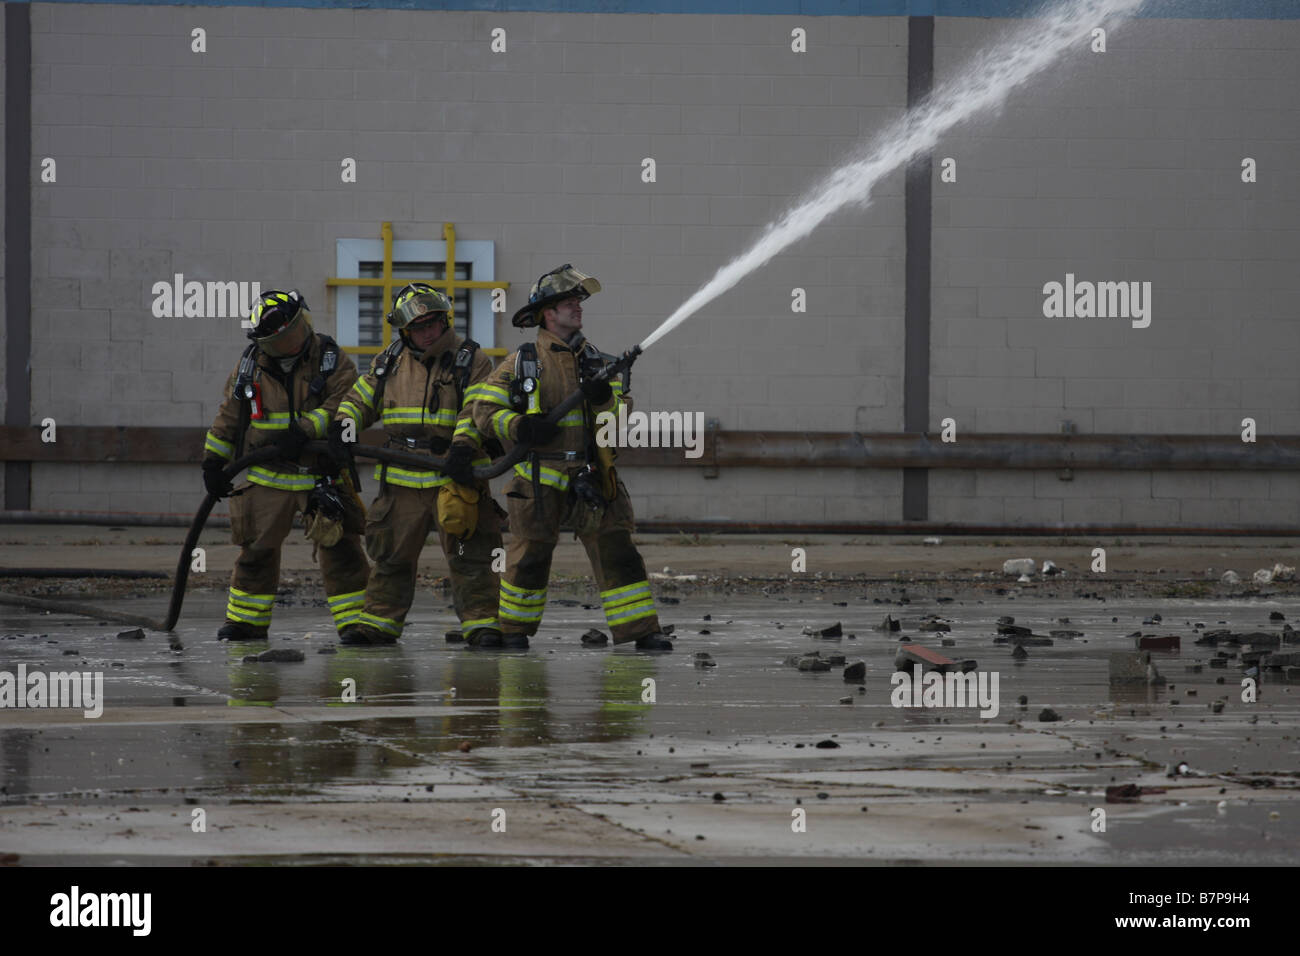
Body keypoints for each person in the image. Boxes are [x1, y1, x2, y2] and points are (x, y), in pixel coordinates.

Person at [465, 265, 672, 652]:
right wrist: (520, 427)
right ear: (547, 313)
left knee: (617, 549)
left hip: (593, 473)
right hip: (538, 477)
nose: (578, 307)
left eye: (579, 301)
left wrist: (602, 400)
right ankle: (513, 630)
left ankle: (641, 629)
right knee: (528, 556)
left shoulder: (597, 361)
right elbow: (483, 411)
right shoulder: (521, 362)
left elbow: (621, 414)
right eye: (568, 302)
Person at [329, 283, 504, 647]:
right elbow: (359, 400)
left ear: (445, 320)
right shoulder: (389, 361)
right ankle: (379, 623)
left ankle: (482, 624)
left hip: (454, 479)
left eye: (434, 323)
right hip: (402, 482)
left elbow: (477, 408)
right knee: (391, 554)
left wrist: (462, 448)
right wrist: (343, 426)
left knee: (468, 554)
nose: (428, 332)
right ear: (405, 331)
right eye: (419, 327)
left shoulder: (471, 359)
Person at [202, 290, 369, 642]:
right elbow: (229, 417)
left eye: (299, 329)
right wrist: (214, 461)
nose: (298, 340)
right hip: (268, 476)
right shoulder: (249, 368)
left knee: (342, 550)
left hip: (320, 474)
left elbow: (346, 402)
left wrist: (307, 429)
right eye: (287, 337)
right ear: (268, 342)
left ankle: (356, 624)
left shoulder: (331, 359)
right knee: (256, 551)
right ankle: (246, 622)